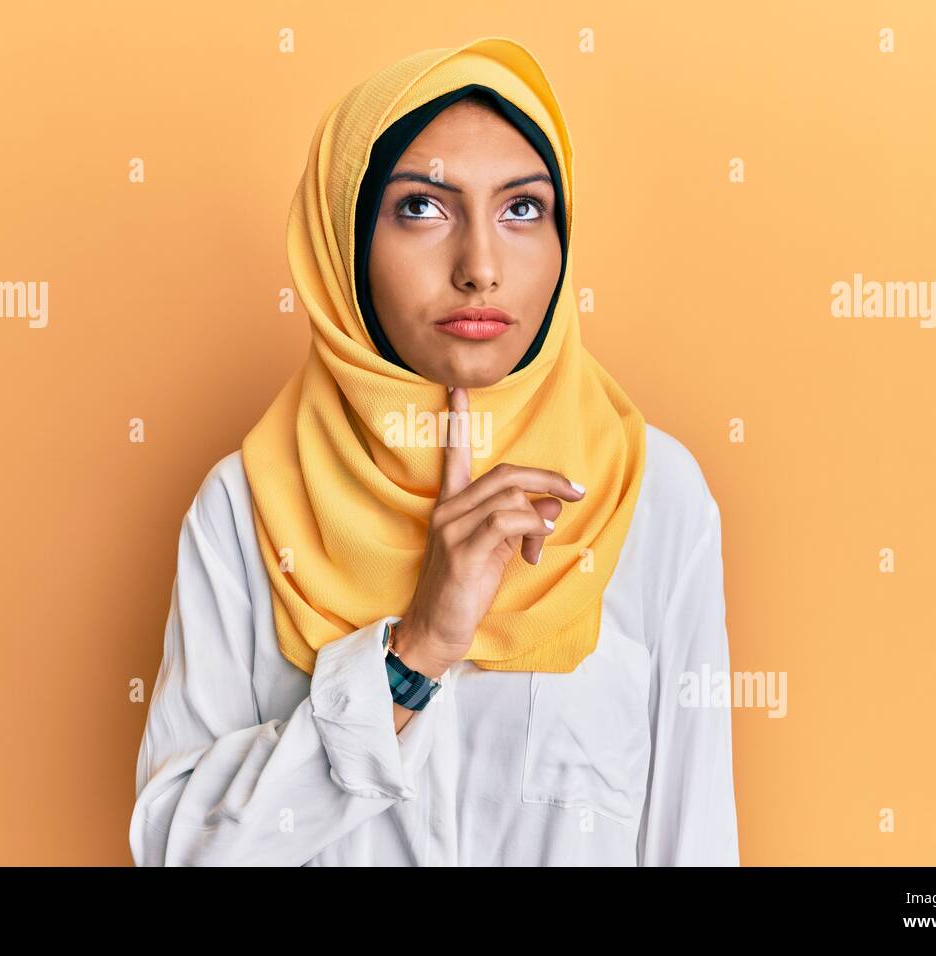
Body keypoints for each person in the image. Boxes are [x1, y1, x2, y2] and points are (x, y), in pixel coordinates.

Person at [129, 35, 739, 866]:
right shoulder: (250, 504)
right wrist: (411, 656)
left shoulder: (650, 492)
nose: (480, 268)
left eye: (523, 209)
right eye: (422, 207)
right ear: (342, 245)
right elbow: (177, 851)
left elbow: (691, 839)